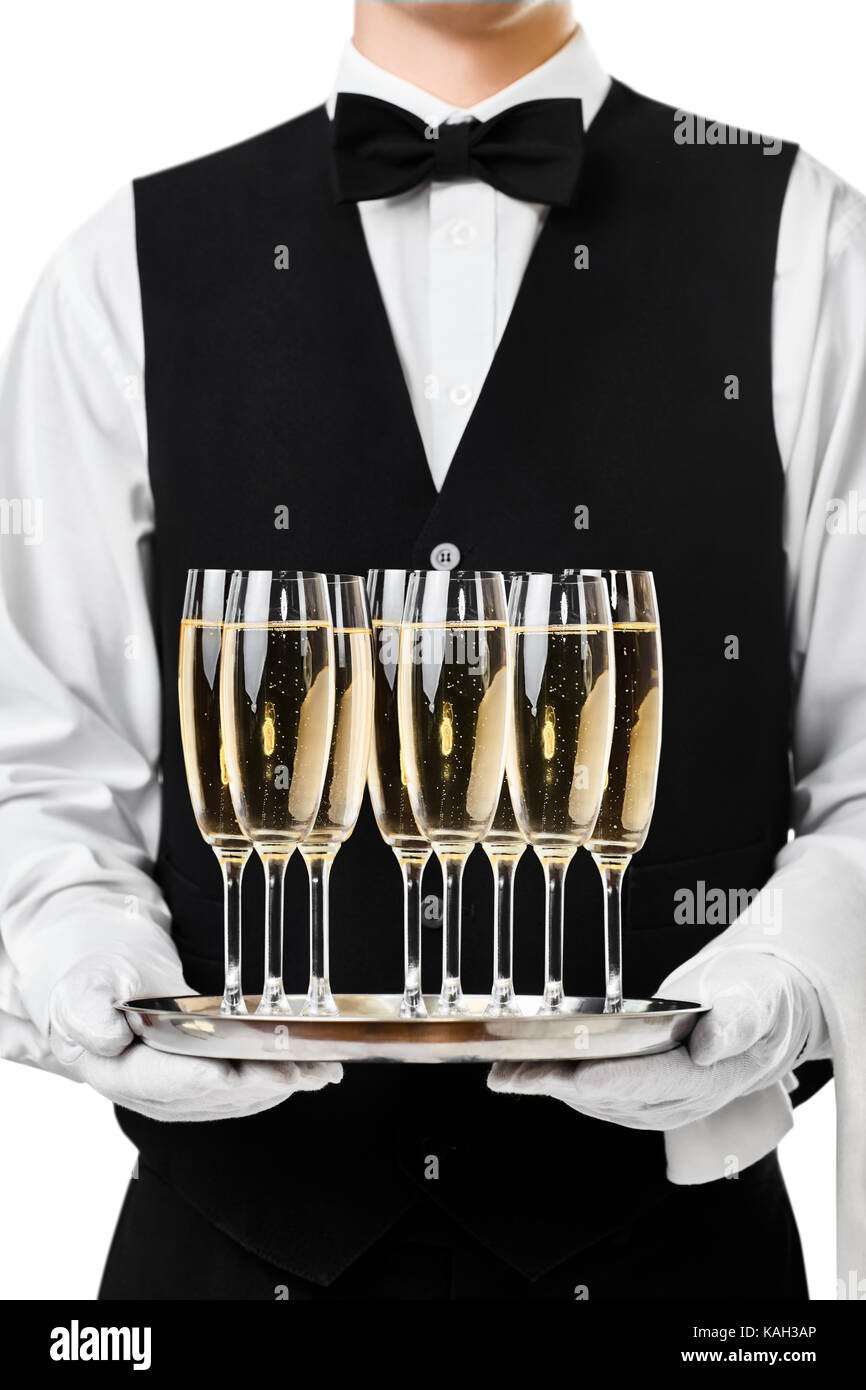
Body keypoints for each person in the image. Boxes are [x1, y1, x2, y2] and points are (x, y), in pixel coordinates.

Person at [0, 0, 863, 1301]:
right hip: (220, 1262)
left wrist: (782, 983)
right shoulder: (124, 261)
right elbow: (34, 753)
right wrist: (84, 967)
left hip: (680, 1268)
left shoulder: (811, 243)